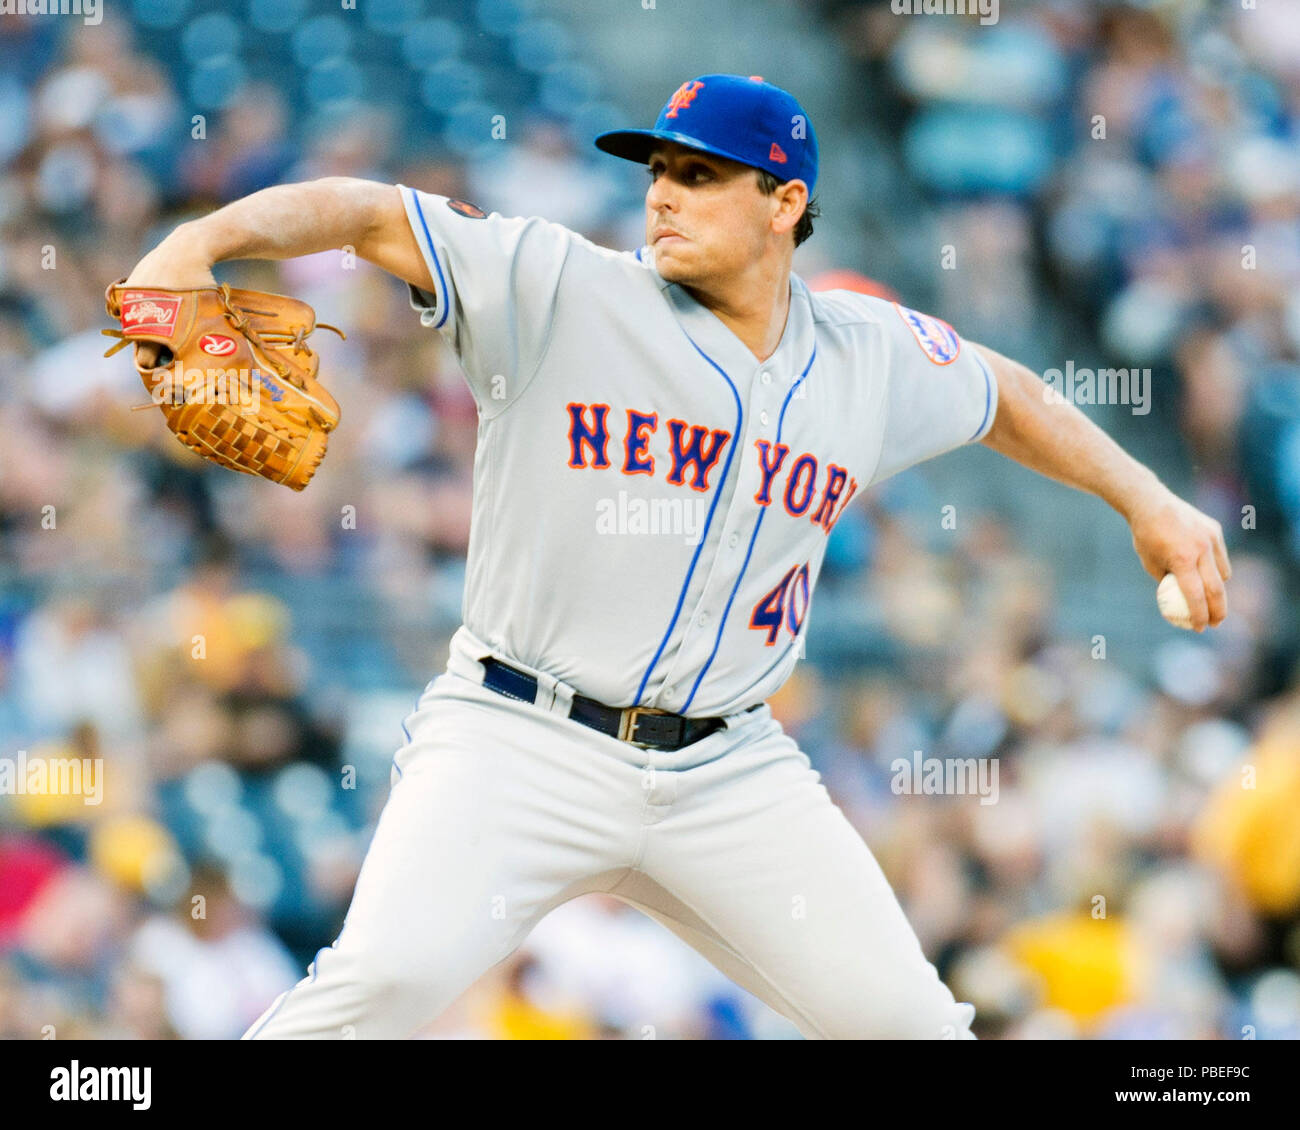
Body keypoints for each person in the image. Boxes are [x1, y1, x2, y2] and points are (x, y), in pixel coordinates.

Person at [121, 74, 1231, 1039]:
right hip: (520, 738)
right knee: (379, 983)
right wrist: (197, 243)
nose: (661, 192)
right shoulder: (558, 285)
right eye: (658, 167)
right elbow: (365, 213)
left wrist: (1148, 498)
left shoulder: (866, 354)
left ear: (784, 202)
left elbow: (1007, 395)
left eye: (701, 175)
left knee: (908, 1024)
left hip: (726, 773)